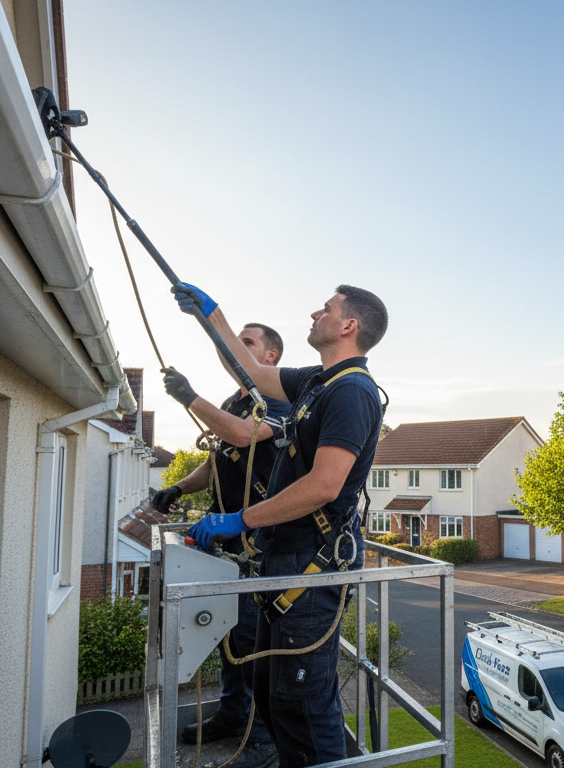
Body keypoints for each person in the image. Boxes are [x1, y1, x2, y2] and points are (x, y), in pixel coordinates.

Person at [180, 282, 386, 768]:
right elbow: (250, 370)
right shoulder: (318, 381)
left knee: (305, 707)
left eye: (328, 309)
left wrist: (240, 519)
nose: (316, 312)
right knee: (272, 696)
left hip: (309, 567)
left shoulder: (353, 392)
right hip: (284, 557)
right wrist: (212, 316)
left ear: (348, 325)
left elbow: (324, 485)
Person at [150, 323, 292, 768]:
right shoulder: (236, 402)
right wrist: (179, 488)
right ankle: (234, 714)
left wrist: (189, 398)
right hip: (228, 547)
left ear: (269, 357)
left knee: (252, 640)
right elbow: (218, 460)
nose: (236, 348)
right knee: (228, 634)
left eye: (247, 343)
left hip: (259, 545)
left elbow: (243, 436)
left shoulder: (279, 400)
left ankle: (265, 739)